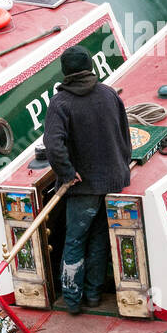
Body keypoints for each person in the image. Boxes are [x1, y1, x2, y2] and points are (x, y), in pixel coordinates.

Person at [43, 46, 131, 314]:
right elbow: (124, 137)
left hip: (83, 188)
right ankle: (93, 295)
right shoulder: (108, 94)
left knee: (74, 240)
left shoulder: (61, 104)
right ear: (90, 66)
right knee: (99, 239)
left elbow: (53, 145)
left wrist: (68, 173)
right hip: (114, 181)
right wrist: (120, 166)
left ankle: (71, 300)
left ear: (65, 72)